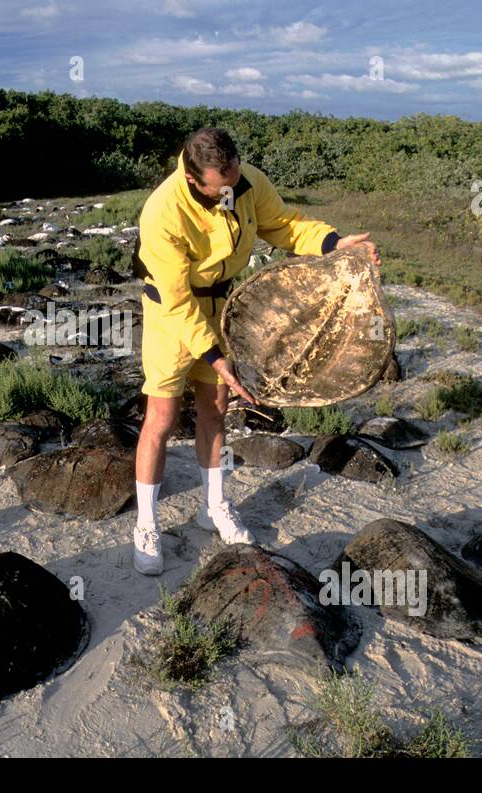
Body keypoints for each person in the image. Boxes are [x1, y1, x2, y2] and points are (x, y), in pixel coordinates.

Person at [131, 126, 381, 575]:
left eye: (236, 174)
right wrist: (216, 357)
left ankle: (214, 507)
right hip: (171, 313)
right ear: (193, 179)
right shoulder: (163, 212)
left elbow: (283, 226)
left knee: (216, 409)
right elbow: (178, 300)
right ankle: (147, 524)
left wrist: (334, 243)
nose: (233, 188)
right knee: (162, 419)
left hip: (226, 308)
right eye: (221, 185)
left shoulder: (246, 181)